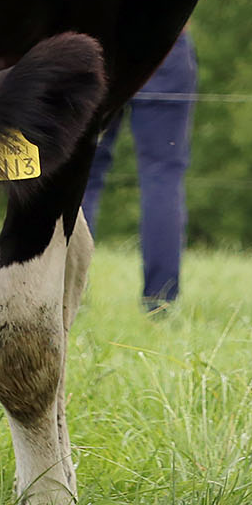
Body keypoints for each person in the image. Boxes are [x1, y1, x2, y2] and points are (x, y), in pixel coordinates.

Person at [81, 28, 196, 311]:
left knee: (81, 172)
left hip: (98, 41)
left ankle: (66, 293)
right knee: (163, 175)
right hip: (163, 43)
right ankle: (161, 302)